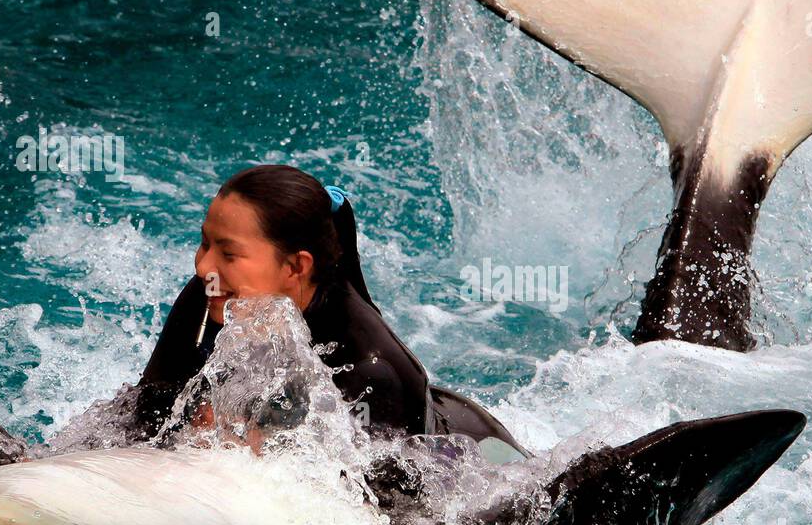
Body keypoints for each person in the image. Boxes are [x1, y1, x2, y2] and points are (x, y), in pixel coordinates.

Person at [129, 164, 525, 459]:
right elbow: (142, 415)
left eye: (228, 253)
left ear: (295, 267)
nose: (203, 266)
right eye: (204, 244)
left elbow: (392, 524)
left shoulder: (371, 369)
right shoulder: (212, 294)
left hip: (472, 457)